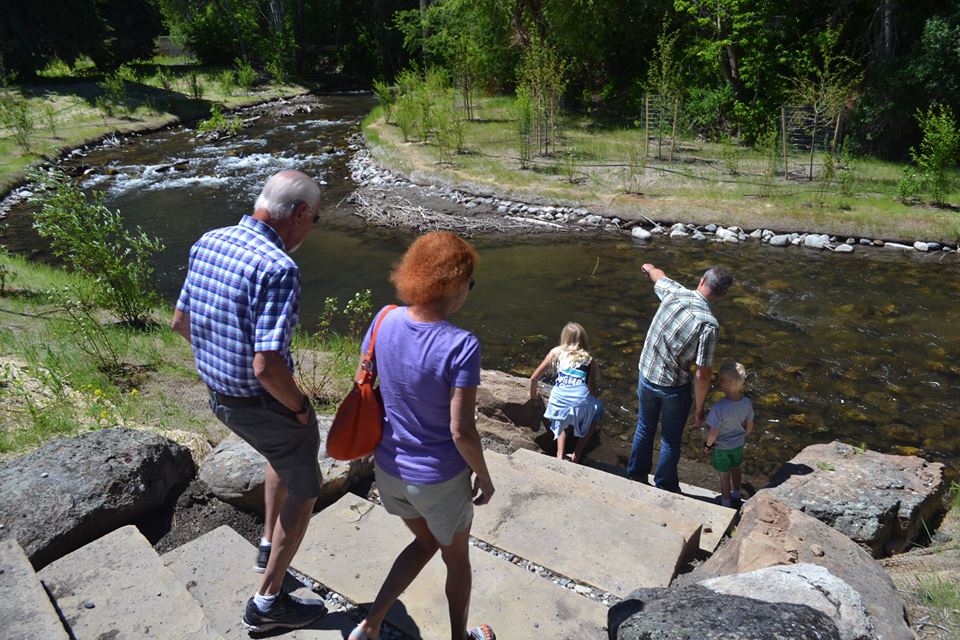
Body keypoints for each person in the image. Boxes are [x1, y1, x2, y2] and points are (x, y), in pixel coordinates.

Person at [171, 170, 328, 634]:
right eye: (314, 218)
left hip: (219, 398)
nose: (311, 227)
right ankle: (267, 602)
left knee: (279, 455)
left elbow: (181, 322)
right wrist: (299, 407)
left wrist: (221, 362)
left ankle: (266, 542)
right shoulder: (278, 267)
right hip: (261, 402)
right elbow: (267, 366)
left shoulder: (211, 240)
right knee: (307, 486)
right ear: (299, 213)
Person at [349, 231, 496, 640]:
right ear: (451, 283)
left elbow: (370, 386)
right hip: (439, 481)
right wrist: (483, 477)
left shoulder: (384, 319)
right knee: (458, 561)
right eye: (470, 281)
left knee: (425, 542)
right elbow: (461, 430)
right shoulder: (461, 345)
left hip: (389, 472)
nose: (470, 289)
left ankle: (369, 625)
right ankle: (458, 637)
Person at [625, 263, 733, 492]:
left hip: (647, 375)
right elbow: (703, 374)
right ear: (722, 296)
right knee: (670, 439)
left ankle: (636, 476)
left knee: (644, 426)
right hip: (674, 388)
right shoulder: (708, 325)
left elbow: (659, 276)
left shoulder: (675, 292)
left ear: (702, 280)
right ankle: (664, 486)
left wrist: (648, 267)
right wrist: (699, 408)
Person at [529, 322, 603, 463]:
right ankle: (577, 453)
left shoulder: (555, 353)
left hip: (559, 400)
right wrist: (591, 405)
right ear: (583, 339)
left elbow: (534, 379)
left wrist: (533, 395)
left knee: (561, 416)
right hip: (580, 400)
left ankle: (560, 454)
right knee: (597, 411)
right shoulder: (588, 359)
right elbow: (592, 390)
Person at [703, 362, 754, 507]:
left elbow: (713, 433)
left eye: (720, 380)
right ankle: (736, 494)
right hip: (738, 445)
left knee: (724, 476)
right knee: (736, 468)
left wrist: (708, 446)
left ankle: (726, 503)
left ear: (728, 383)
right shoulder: (747, 403)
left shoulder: (719, 407)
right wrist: (743, 437)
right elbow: (750, 426)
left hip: (721, 448)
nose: (718, 382)